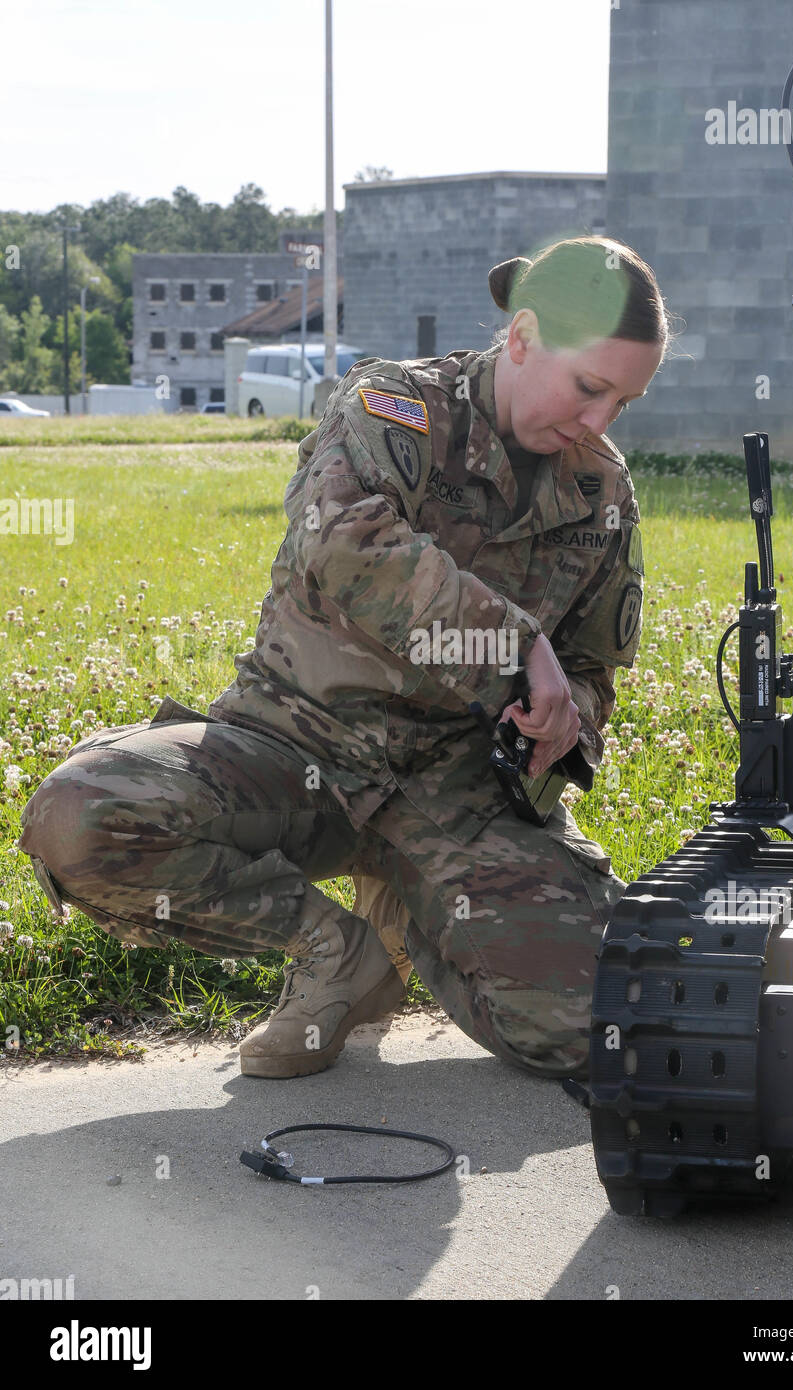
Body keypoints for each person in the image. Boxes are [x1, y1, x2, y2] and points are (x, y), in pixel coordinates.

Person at [17, 235, 672, 1082]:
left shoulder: (602, 491)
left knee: (597, 1027)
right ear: (522, 338)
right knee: (82, 817)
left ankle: (416, 901)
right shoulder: (393, 409)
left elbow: (592, 667)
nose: (599, 422)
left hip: (457, 785)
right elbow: (349, 549)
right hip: (293, 747)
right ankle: (334, 954)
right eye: (590, 387)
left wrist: (561, 721)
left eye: (625, 401)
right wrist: (518, 643)